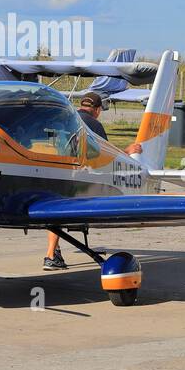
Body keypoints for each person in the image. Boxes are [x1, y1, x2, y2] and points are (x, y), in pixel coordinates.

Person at [45, 91, 142, 270]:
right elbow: (105, 157)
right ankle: (52, 255)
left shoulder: (64, 119)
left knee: (51, 214)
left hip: (55, 171)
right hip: (78, 177)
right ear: (97, 110)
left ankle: (52, 253)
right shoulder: (94, 125)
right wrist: (127, 151)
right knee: (59, 214)